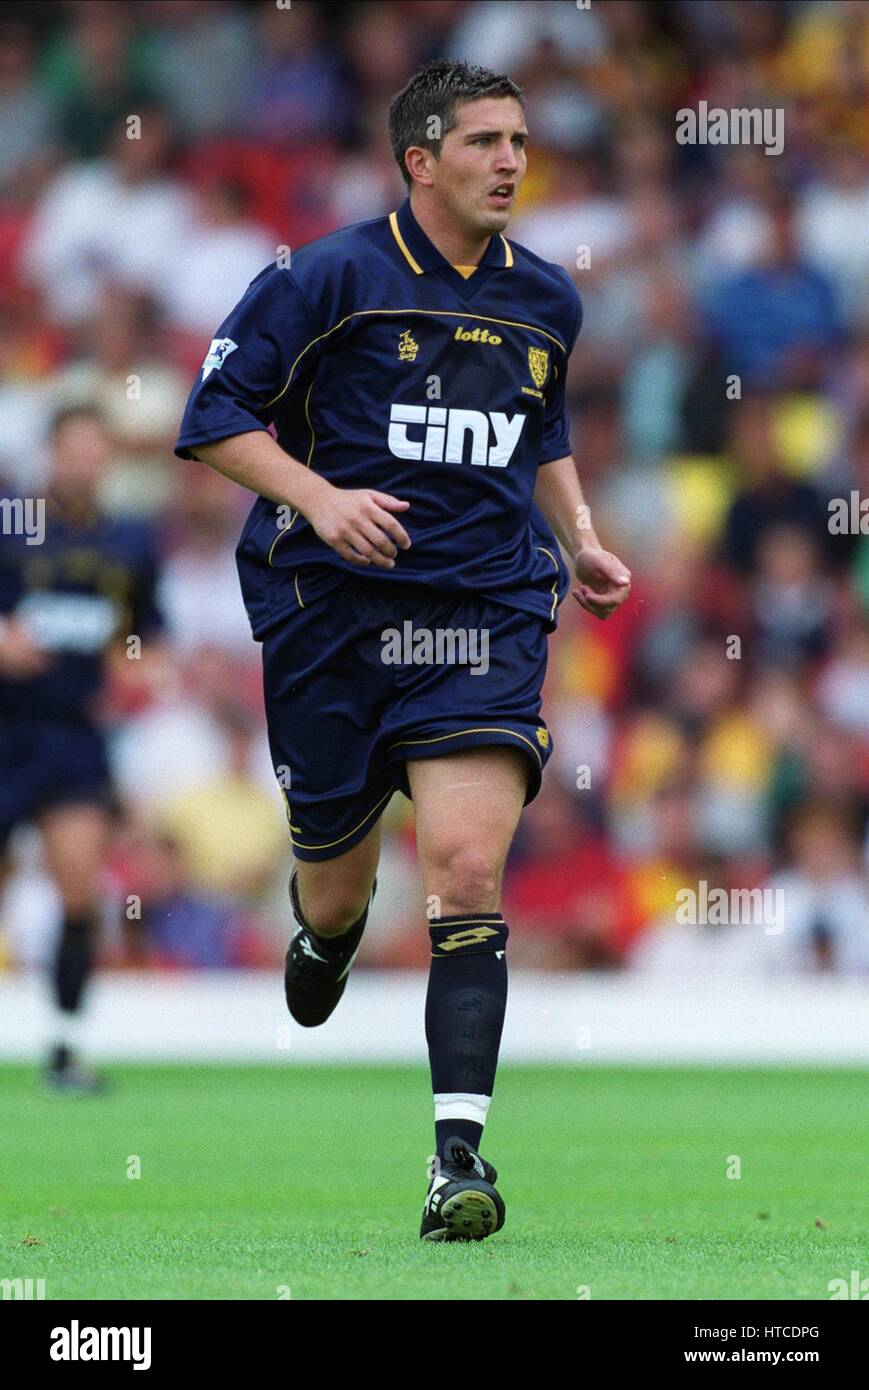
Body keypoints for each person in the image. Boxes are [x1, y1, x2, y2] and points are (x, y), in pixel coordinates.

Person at [175, 60, 631, 1241]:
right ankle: (321, 932)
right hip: (331, 619)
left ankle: (457, 1160)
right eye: (482, 141)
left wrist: (576, 534)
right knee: (339, 888)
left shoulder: (546, 298)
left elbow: (544, 427)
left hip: (484, 613)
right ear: (419, 160)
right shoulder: (326, 275)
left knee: (468, 875)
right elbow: (213, 416)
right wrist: (319, 498)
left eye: (519, 140)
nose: (510, 161)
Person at [0, 405, 164, 1089]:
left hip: (72, 735)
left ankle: (65, 1049)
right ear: (51, 452)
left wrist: (138, 669)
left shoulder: (130, 540)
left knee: (78, 888)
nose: (85, 461)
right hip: (5, 727)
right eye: (74, 448)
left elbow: (148, 636)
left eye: (98, 449)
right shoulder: (13, 524)